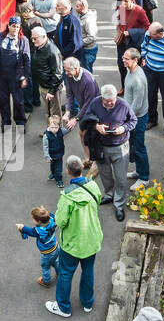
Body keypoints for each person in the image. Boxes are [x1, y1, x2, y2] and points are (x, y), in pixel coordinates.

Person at [46, 156, 103, 318]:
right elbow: (97, 200)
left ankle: (63, 307)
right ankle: (87, 303)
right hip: (91, 239)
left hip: (72, 243)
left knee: (65, 272)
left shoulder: (66, 196)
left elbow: (61, 222)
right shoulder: (93, 186)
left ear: (68, 171)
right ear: (82, 168)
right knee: (88, 270)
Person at [80, 84, 136, 221]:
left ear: (116, 97)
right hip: (101, 146)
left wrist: (123, 128)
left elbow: (133, 120)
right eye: (106, 102)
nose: (109, 104)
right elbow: (85, 119)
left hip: (120, 147)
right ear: (102, 99)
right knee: (105, 174)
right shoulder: (95, 103)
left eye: (112, 102)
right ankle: (109, 194)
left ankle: (119, 204)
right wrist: (96, 126)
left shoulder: (123, 105)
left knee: (121, 178)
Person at [122, 46, 151, 188]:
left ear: (135, 60)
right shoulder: (130, 71)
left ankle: (144, 178)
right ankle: (139, 171)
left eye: (126, 59)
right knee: (134, 145)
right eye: (123, 58)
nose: (123, 60)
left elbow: (137, 105)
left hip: (137, 118)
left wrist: (125, 118)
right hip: (132, 116)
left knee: (139, 147)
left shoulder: (138, 79)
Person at [62, 56, 100, 159]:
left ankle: (95, 162)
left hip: (94, 111)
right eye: (65, 70)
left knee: (93, 137)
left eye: (68, 71)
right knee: (82, 133)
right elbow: (69, 94)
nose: (66, 73)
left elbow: (89, 104)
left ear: (76, 68)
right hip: (84, 109)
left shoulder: (88, 80)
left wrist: (76, 119)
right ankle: (88, 159)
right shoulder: (70, 77)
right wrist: (67, 111)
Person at [114, 0, 149, 88]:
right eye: (122, 0)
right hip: (122, 43)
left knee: (134, 66)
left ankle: (136, 86)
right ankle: (124, 86)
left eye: (126, 1)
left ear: (132, 0)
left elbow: (147, 27)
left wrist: (131, 32)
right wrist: (119, 33)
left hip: (133, 43)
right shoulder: (121, 8)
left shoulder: (140, 11)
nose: (123, 3)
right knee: (121, 64)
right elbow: (121, 23)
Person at [18, 205, 60, 287]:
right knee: (56, 261)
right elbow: (50, 215)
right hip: (56, 247)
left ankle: (46, 281)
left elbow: (29, 231)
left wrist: (21, 227)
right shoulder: (51, 219)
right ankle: (60, 273)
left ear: (38, 222)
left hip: (47, 253)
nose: (32, 220)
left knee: (46, 267)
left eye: (33, 219)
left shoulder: (39, 231)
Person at [29, 25, 64, 124]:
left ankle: (56, 135)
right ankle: (49, 131)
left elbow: (58, 74)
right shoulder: (39, 46)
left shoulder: (52, 51)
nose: (33, 40)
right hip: (44, 85)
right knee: (48, 112)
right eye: (32, 38)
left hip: (51, 88)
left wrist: (51, 91)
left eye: (35, 38)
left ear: (44, 37)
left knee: (55, 114)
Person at [43, 112, 66, 187]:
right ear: (49, 125)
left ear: (59, 126)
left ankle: (59, 179)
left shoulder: (61, 131)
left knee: (58, 168)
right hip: (51, 155)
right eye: (52, 127)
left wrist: (70, 124)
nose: (54, 129)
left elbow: (68, 130)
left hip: (59, 154)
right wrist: (47, 156)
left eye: (56, 128)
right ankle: (52, 173)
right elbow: (45, 147)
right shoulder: (46, 135)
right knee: (52, 166)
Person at [76, 0, 99, 72]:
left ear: (82, 8)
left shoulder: (88, 20)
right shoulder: (81, 16)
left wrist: (79, 43)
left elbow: (92, 37)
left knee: (86, 72)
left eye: (77, 6)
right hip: (83, 49)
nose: (75, 8)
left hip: (88, 50)